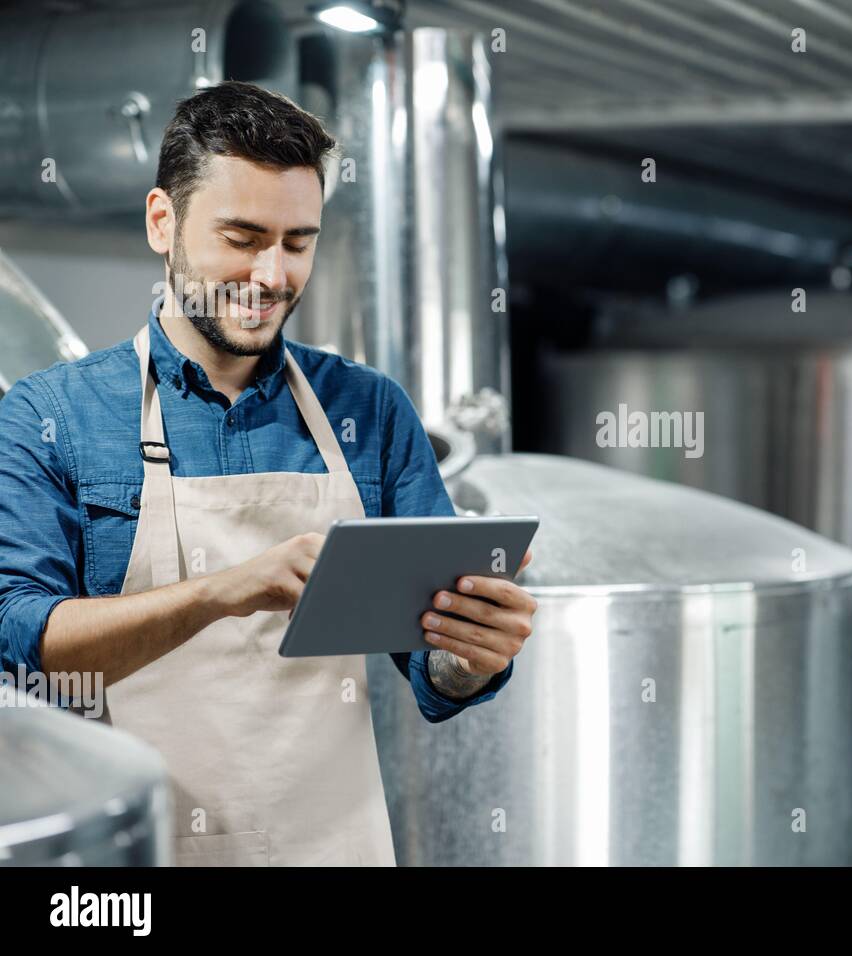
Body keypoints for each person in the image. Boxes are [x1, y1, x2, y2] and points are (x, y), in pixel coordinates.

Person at [0, 81, 538, 866]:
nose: (272, 275)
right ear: (163, 221)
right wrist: (230, 588)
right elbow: (21, 652)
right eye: (242, 237)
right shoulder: (54, 415)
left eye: (297, 241)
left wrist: (470, 652)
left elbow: (432, 673)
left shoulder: (368, 409)